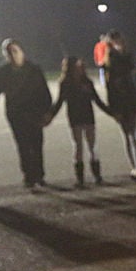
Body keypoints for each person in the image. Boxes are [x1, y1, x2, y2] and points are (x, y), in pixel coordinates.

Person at [0, 39, 53, 189]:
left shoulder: (34, 69)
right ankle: (29, 176)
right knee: (23, 145)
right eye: (9, 53)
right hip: (16, 114)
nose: (13, 55)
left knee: (37, 144)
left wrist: (48, 112)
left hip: (34, 113)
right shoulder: (3, 73)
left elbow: (45, 93)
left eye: (15, 51)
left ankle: (40, 175)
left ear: (22, 51)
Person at [47, 56, 111, 187]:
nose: (80, 67)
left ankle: (97, 176)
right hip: (75, 117)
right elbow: (59, 102)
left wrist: (111, 113)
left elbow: (97, 101)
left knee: (93, 146)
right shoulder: (65, 83)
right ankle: (80, 179)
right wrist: (50, 115)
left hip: (88, 117)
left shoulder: (87, 82)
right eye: (77, 65)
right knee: (78, 147)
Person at [104, 29, 136, 181]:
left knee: (134, 135)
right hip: (123, 103)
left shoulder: (128, 56)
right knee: (128, 136)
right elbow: (110, 87)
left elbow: (131, 76)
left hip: (133, 101)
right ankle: (135, 167)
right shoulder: (111, 59)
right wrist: (113, 109)